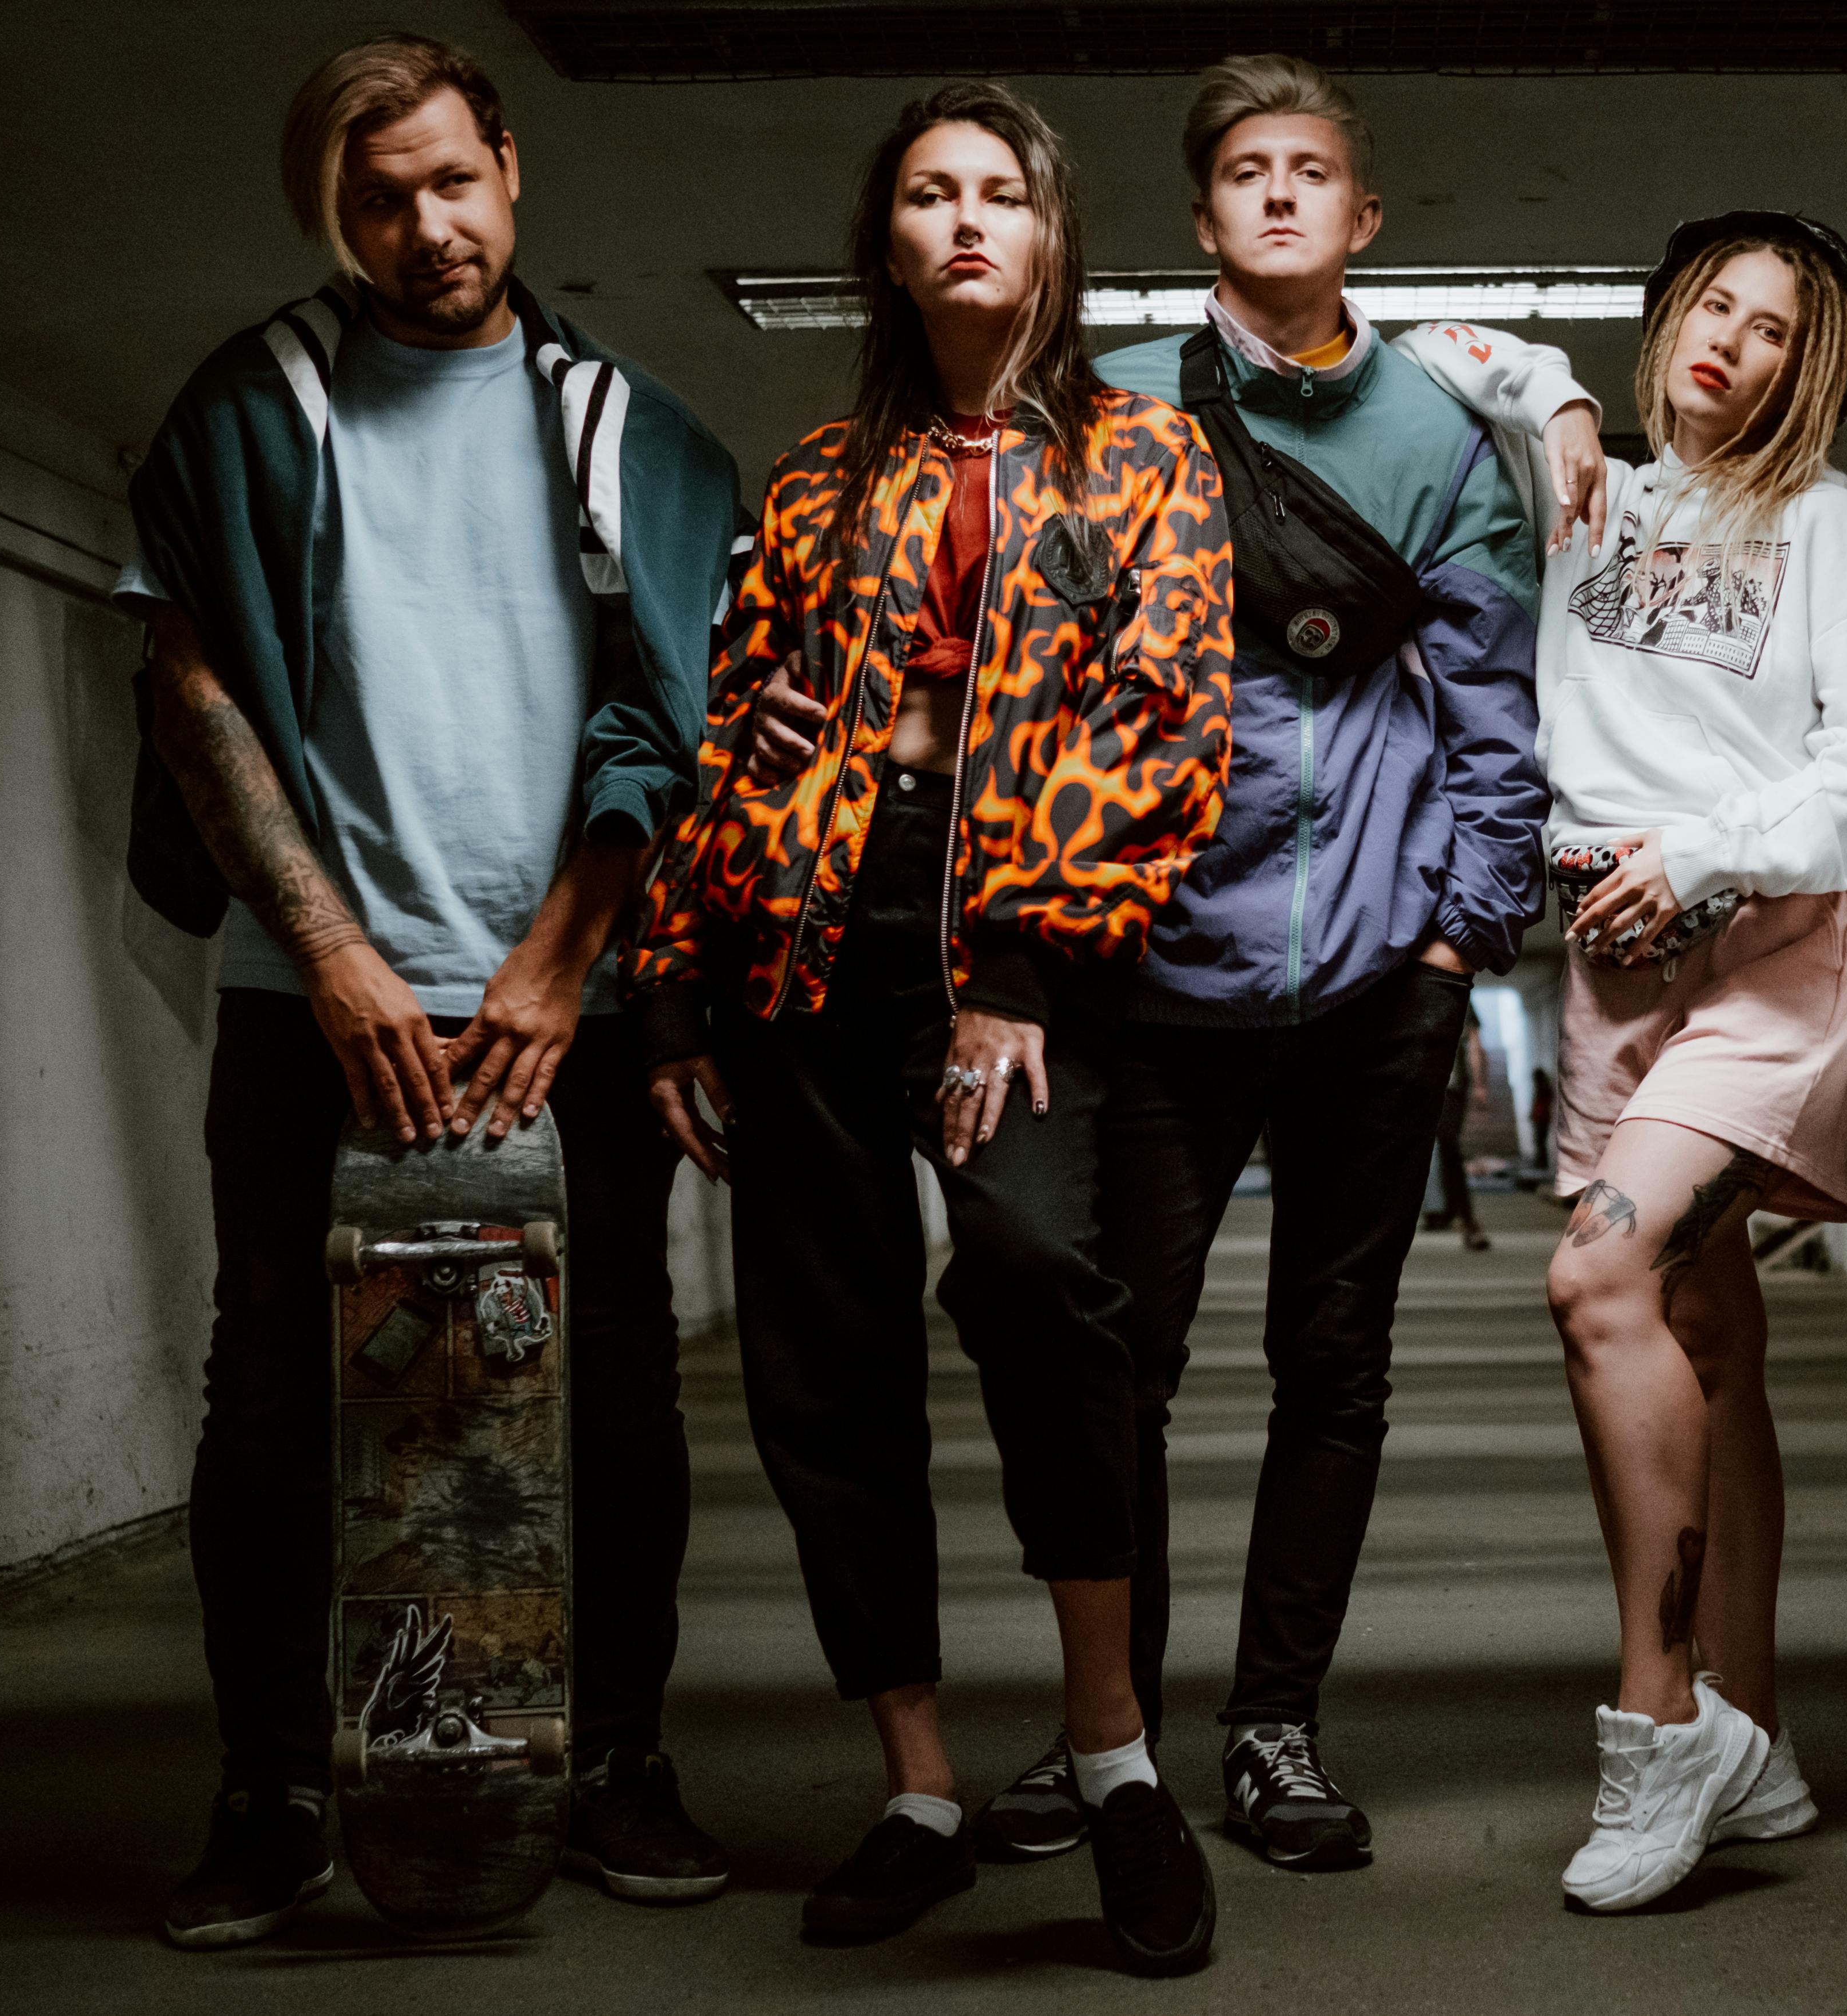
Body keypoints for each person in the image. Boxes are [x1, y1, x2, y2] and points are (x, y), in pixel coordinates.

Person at [747, 53, 1589, 1875]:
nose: (1279, 198)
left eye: (1313, 173)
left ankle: (1274, 1723)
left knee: (1332, 1362)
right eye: (1244, 174)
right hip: (1152, 969)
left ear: (1358, 216)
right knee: (1106, 1354)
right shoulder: (1110, 411)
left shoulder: (1436, 428)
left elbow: (1494, 705)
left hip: (1376, 969)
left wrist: (1461, 928)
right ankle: (1101, 1725)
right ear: (1196, 217)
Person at [118, 35, 746, 1948]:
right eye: (380, 195)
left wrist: (564, 965)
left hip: (565, 987)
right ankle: (276, 1787)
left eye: (452, 180)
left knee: (614, 1378)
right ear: (338, 208)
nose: (424, 225)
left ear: (513, 170)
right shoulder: (245, 415)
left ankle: (612, 1751)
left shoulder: (629, 431)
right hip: (305, 995)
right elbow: (197, 689)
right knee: (275, 1394)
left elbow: (670, 714)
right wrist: (331, 957)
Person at [625, 82, 1237, 1975]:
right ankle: (914, 1779)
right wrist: (671, 981)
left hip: (1019, 949)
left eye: (1000, 193)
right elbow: (740, 740)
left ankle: (1117, 1748)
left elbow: (1171, 733)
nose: (966, 219)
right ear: (886, 240)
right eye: (927, 194)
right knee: (823, 1360)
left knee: (1049, 1283)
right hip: (802, 948)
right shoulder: (819, 476)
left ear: (1052, 236)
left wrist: (1018, 976)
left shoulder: (1149, 458)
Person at [1538, 209, 1847, 1914]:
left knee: (1599, 1269)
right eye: (1711, 305)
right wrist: (1547, 400)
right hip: (1610, 953)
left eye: (1774, 329)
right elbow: (1410, 356)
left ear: (1806, 369)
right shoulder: (1591, 500)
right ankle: (1753, 1727)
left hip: (1763, 943)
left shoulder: (1825, 521)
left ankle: (1660, 1713)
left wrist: (1699, 855)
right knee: (1699, 1327)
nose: (1732, 342)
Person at [1427, 1007, 1496, 1251]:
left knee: (1448, 1149)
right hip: (1431, 1084)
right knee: (1445, 1150)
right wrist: (1479, 1085)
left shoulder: (1462, 996)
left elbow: (1475, 1044)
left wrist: (1479, 1084)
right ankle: (1454, 1215)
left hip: (1448, 1087)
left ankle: (1466, 1220)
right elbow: (1475, 1044)